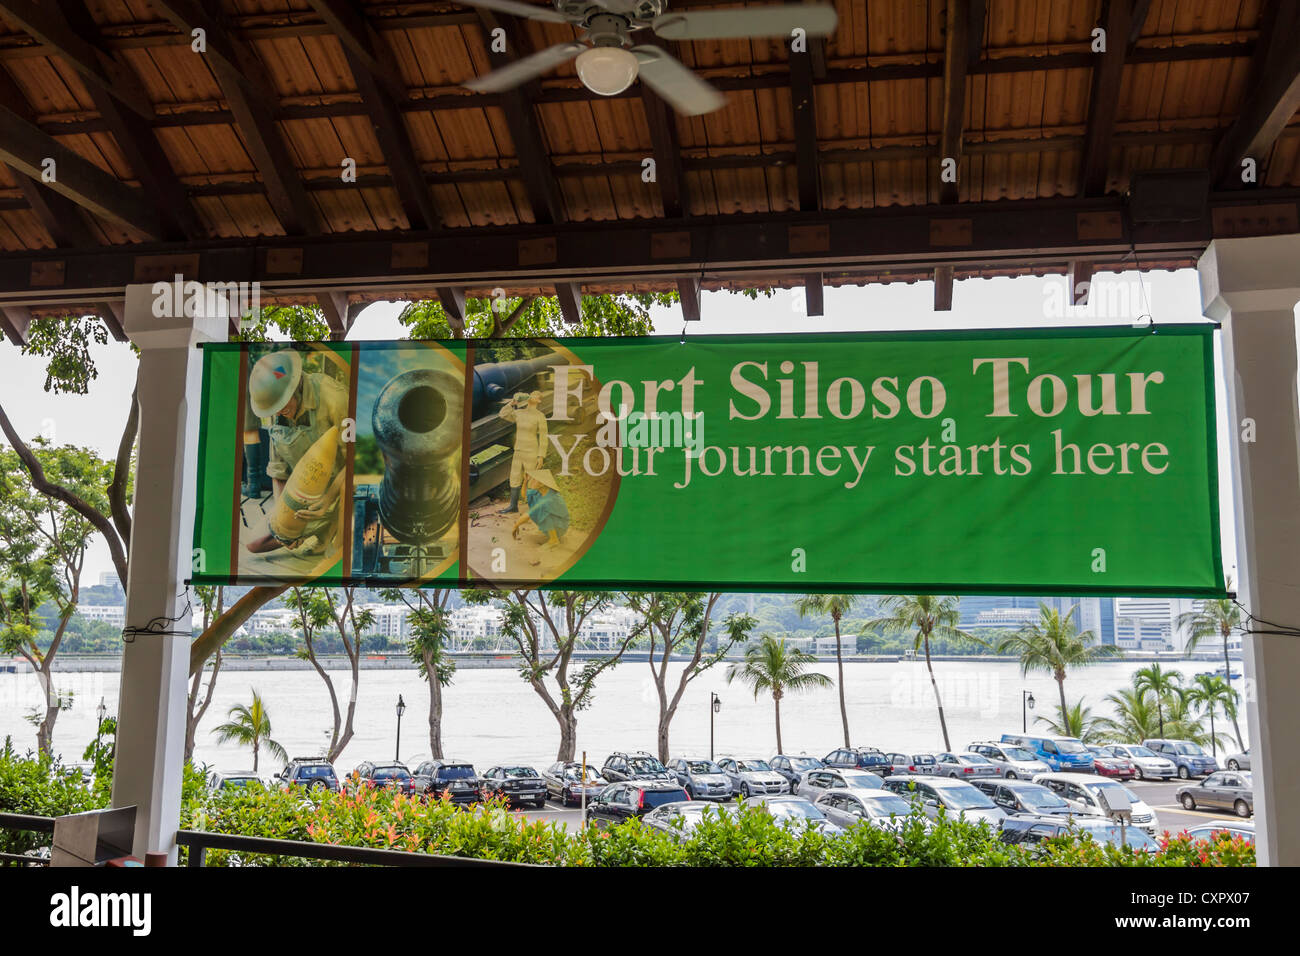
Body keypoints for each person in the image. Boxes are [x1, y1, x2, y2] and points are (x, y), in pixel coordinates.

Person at [245, 349, 348, 549]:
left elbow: (356, 460)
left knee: (336, 556)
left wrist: (328, 500)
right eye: (273, 408)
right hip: (303, 501)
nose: (277, 412)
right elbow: (278, 473)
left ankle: (333, 528)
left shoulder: (334, 398)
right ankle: (321, 529)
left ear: (297, 385)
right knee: (254, 543)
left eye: (281, 404)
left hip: (342, 495)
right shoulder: (278, 411)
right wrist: (284, 517)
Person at [497, 389, 548, 514]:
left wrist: (541, 456)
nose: (533, 397)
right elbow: (502, 414)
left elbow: (543, 437)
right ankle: (513, 506)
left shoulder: (540, 416)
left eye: (536, 396)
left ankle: (534, 508)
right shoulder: (519, 413)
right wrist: (512, 403)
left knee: (531, 479)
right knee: (514, 477)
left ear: (539, 400)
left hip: (531, 451)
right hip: (518, 450)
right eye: (532, 394)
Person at [511, 468, 569, 551]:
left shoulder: (549, 498)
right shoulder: (540, 491)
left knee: (541, 511)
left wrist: (516, 525)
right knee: (537, 507)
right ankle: (550, 531)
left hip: (561, 526)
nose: (532, 481)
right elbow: (525, 495)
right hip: (555, 521)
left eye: (535, 480)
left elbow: (528, 514)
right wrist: (525, 481)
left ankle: (554, 540)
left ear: (542, 484)